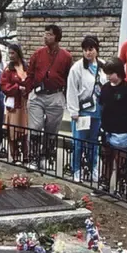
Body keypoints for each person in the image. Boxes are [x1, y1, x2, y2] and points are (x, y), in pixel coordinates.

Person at [24, 24, 73, 168]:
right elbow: (30, 74)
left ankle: (45, 156)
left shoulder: (66, 56)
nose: (46, 37)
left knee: (52, 130)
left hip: (55, 96)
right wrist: (28, 91)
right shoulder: (37, 54)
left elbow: (69, 77)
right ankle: (33, 158)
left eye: (50, 34)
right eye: (45, 34)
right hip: (38, 95)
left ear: (57, 37)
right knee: (35, 126)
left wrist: (65, 97)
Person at [66, 35, 106, 183]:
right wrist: (74, 111)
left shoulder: (103, 66)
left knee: (94, 142)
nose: (88, 53)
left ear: (96, 50)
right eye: (85, 50)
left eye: (91, 49)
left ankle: (93, 167)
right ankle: (76, 169)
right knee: (79, 142)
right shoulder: (77, 68)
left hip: (98, 111)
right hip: (82, 112)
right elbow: (71, 90)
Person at [98, 58, 127, 193]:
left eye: (111, 73)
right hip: (107, 129)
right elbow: (101, 104)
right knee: (106, 159)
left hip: (122, 130)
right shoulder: (105, 88)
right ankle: (105, 184)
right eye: (107, 73)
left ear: (119, 73)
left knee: (121, 160)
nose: (108, 76)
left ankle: (120, 187)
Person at [0, 44, 29, 164]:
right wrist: (17, 87)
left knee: (25, 130)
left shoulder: (26, 66)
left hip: (25, 103)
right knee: (13, 129)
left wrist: (26, 88)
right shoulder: (8, 69)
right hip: (14, 103)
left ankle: (26, 155)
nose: (11, 55)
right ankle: (15, 155)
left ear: (18, 53)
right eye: (9, 53)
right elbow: (4, 86)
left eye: (13, 53)